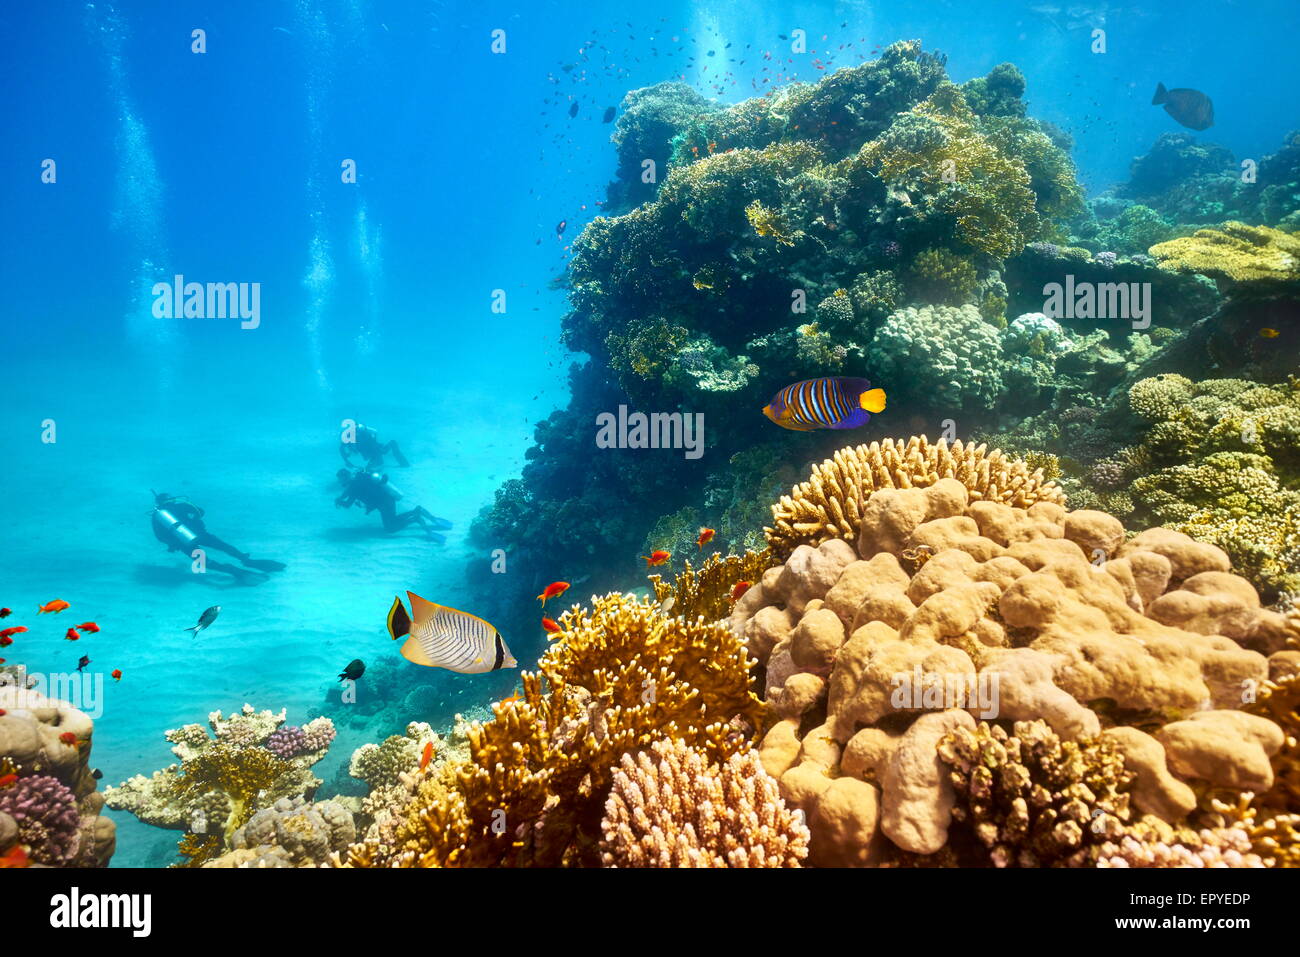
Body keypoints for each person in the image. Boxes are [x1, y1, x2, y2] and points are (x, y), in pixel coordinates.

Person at [150, 492, 286, 577]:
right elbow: (200, 512)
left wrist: (173, 544)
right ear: (172, 499)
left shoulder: (157, 516)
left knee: (204, 562)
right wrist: (195, 521)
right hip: (201, 534)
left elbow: (160, 536)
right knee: (224, 547)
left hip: (184, 543)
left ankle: (230, 570)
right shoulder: (181, 505)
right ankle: (246, 560)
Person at [334, 468, 450, 541]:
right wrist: (341, 498)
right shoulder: (359, 478)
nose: (340, 482)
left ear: (344, 478)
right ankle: (418, 512)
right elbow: (348, 492)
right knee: (393, 520)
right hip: (388, 499)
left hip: (383, 503)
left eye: (340, 479)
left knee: (390, 528)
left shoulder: (353, 487)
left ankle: (416, 518)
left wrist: (339, 501)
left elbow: (348, 503)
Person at [340, 423, 409, 471]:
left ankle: (404, 463)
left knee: (378, 463)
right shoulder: (353, 435)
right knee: (375, 466)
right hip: (373, 453)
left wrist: (346, 459)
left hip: (376, 451)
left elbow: (374, 437)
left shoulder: (363, 432)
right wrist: (346, 460)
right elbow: (342, 448)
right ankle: (404, 463)